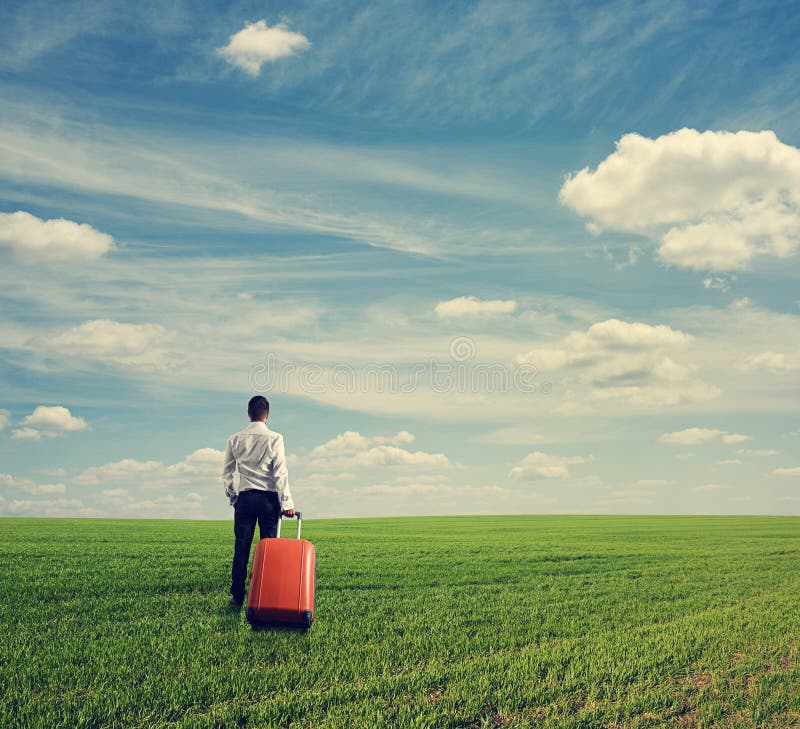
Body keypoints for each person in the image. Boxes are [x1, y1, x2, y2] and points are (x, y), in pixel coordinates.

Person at [222, 395, 295, 607]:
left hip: (245, 499)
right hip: (268, 500)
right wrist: (288, 503)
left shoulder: (234, 439)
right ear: (267, 415)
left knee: (241, 546)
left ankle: (237, 594)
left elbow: (227, 472)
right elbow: (280, 472)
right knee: (268, 549)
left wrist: (234, 496)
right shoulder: (275, 438)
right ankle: (265, 594)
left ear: (248, 413)